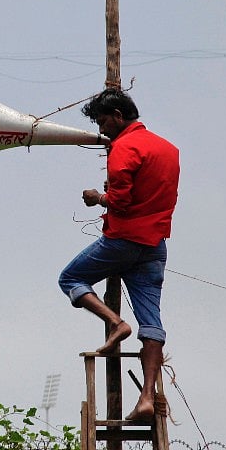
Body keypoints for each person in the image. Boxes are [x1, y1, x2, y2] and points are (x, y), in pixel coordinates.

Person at [58, 88, 179, 421]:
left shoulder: (124, 149)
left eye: (103, 122)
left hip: (122, 240)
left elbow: (122, 201)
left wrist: (98, 197)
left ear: (118, 116)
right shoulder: (169, 149)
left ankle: (115, 323)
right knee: (152, 322)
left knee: (70, 277)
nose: (101, 129)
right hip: (154, 245)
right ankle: (146, 397)